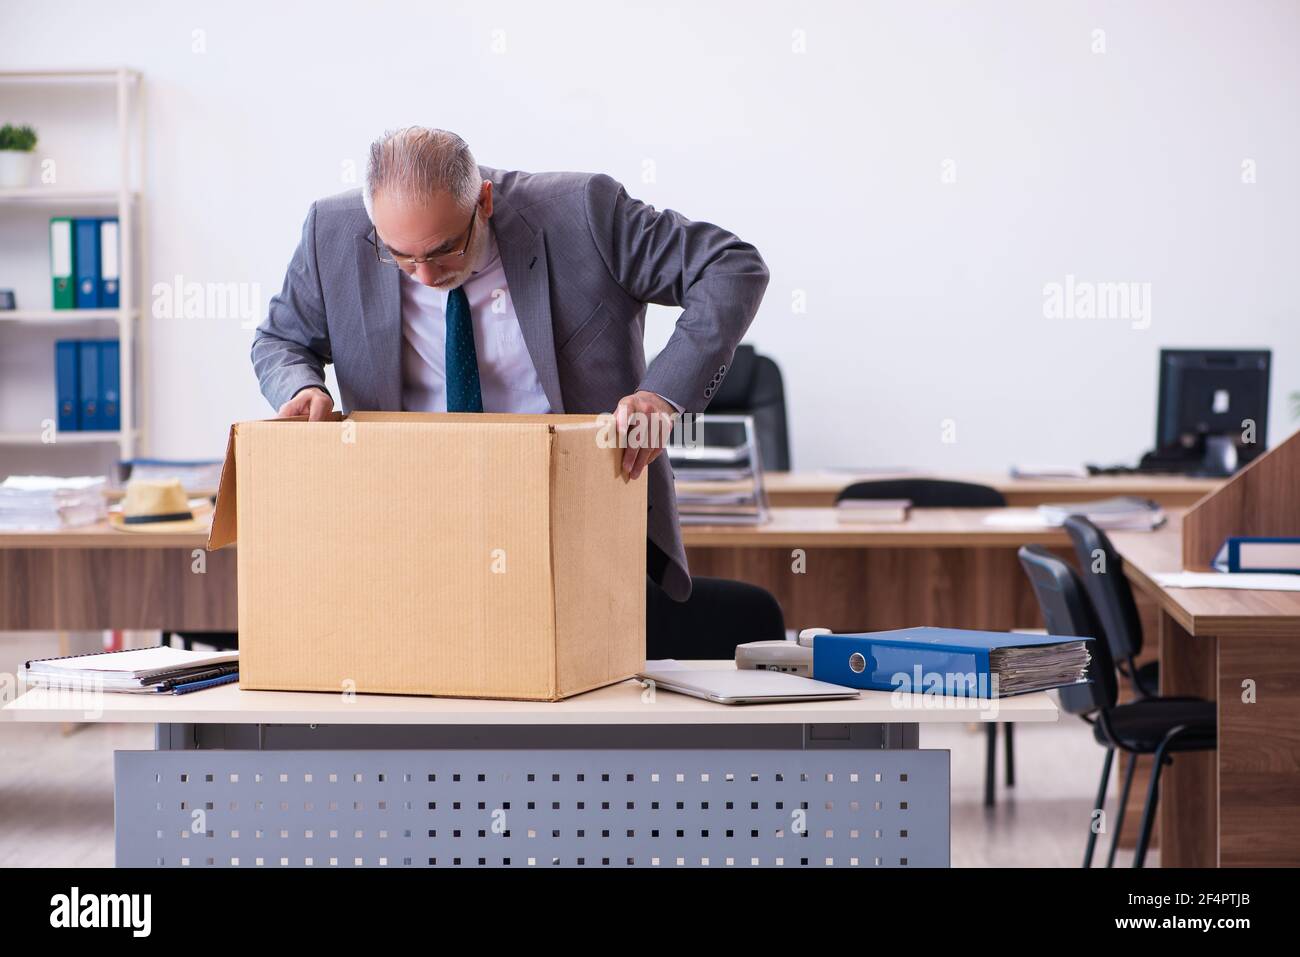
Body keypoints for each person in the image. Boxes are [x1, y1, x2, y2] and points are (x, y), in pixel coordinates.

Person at [252, 127, 769, 601]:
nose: (425, 277)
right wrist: (301, 388)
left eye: (444, 250)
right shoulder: (332, 232)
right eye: (400, 257)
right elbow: (280, 340)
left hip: (572, 520)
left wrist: (664, 394)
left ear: (484, 200)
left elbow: (730, 267)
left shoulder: (582, 213)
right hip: (411, 526)